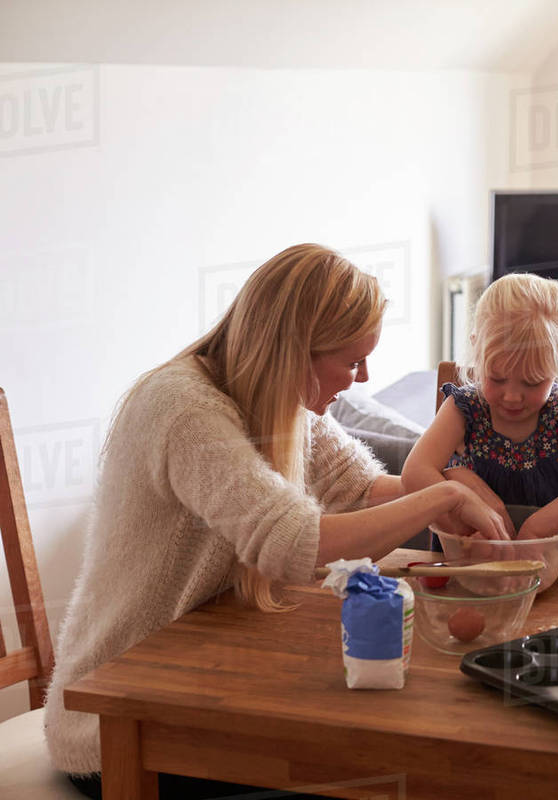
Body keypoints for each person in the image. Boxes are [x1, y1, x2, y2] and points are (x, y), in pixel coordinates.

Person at [43, 244, 508, 799]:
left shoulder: (275, 394)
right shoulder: (184, 409)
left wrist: (445, 483)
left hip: (198, 676)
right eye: (352, 360)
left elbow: (357, 489)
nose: (363, 377)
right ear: (295, 350)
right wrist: (438, 499)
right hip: (119, 722)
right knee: (381, 773)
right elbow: (293, 543)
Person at [402, 273, 558, 567]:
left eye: (532, 383)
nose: (512, 397)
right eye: (497, 378)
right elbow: (414, 473)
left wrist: (537, 528)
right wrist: (464, 515)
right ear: (476, 350)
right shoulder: (464, 406)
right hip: (474, 562)